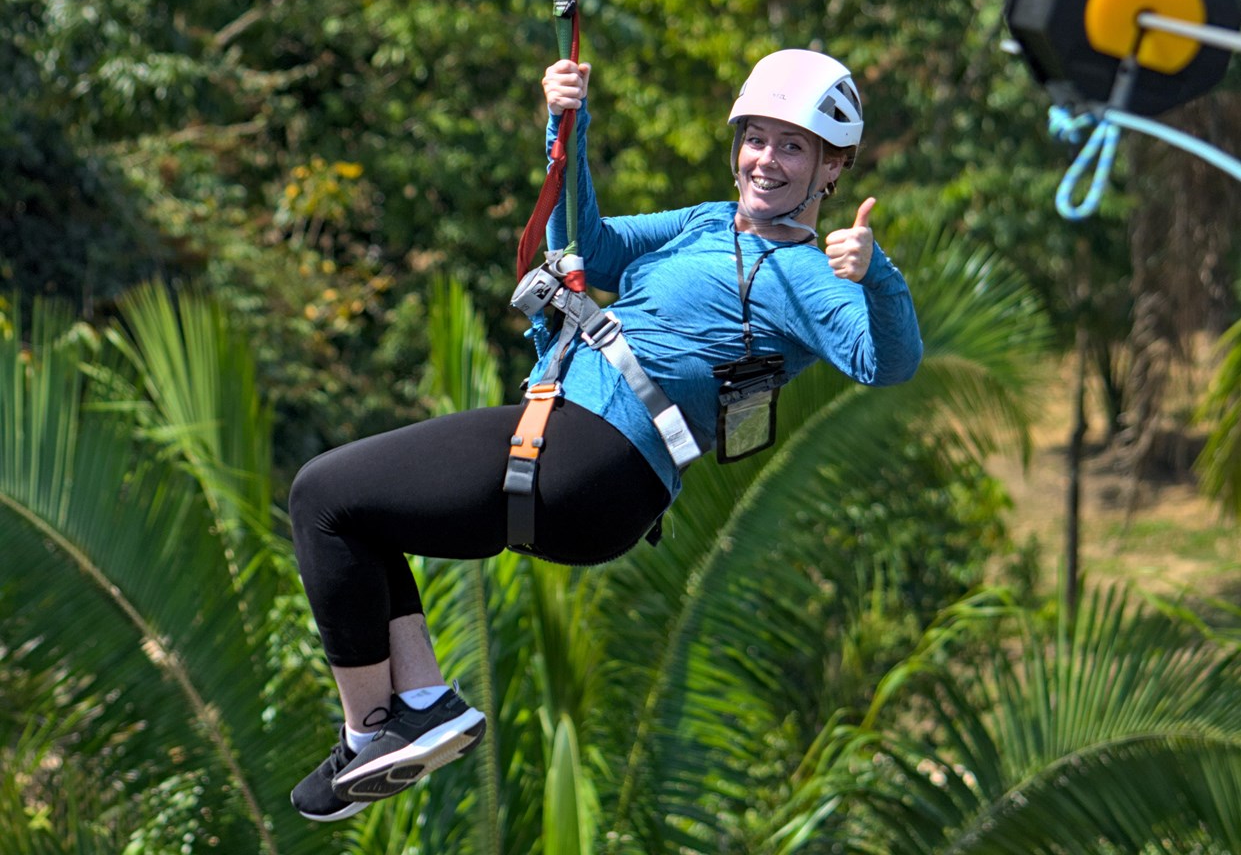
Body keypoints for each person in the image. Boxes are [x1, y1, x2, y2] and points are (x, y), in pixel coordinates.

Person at [288, 47, 922, 822]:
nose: (766, 160)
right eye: (755, 138)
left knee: (321, 493)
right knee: (359, 519)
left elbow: (881, 362)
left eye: (792, 147)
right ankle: (418, 703)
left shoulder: (806, 274)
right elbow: (581, 239)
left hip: (594, 453)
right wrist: (567, 125)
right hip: (582, 461)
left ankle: (365, 732)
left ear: (832, 169)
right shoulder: (701, 223)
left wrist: (876, 274)